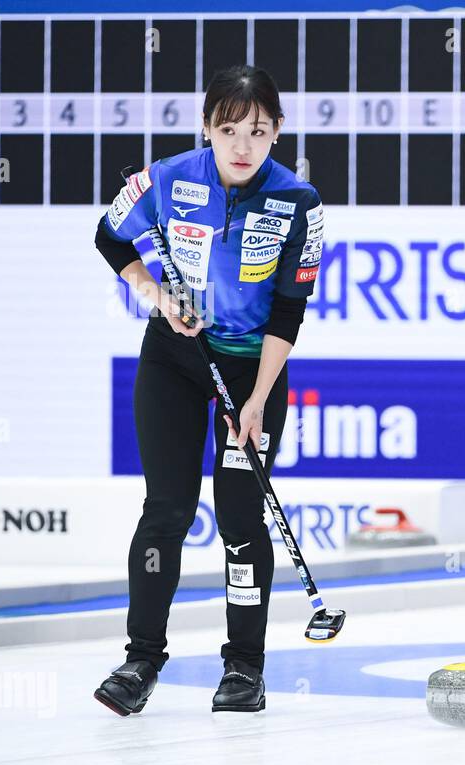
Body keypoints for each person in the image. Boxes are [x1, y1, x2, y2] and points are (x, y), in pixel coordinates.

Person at [91, 65, 324, 716]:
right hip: (174, 358)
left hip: (252, 372)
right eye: (228, 130)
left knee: (241, 520)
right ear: (207, 130)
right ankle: (142, 661)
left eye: (257, 130)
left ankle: (244, 668)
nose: (242, 145)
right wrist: (156, 294)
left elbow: (288, 312)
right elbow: (109, 237)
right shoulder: (164, 179)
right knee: (166, 509)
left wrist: (253, 403)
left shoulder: (299, 203)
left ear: (277, 131)